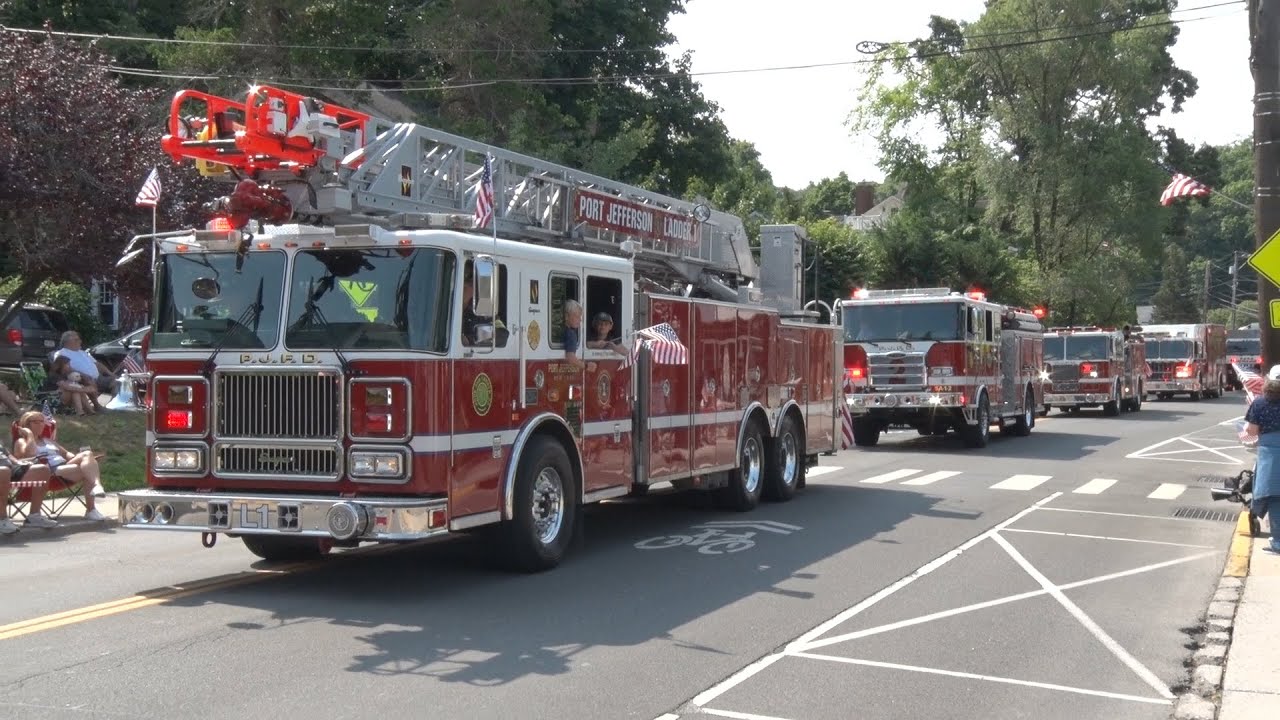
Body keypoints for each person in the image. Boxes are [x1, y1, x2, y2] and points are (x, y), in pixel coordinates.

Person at [12, 411, 106, 518]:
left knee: (88, 459)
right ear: (27, 424)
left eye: (42, 421)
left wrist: (86, 460)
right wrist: (29, 435)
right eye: (36, 422)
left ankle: (92, 508)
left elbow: (66, 454)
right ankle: (95, 495)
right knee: (88, 467)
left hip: (64, 468)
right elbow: (30, 454)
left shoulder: (48, 441)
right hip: (48, 472)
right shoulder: (21, 441)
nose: (41, 424)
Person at [1242, 365, 1280, 553]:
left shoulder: (1260, 403)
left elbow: (1252, 430)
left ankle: (1278, 542)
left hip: (1270, 453)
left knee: (1274, 497)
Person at [0, 441, 55, 534]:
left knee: (43, 469)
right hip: (2, 472)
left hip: (11, 469)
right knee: (4, 471)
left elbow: (8, 455)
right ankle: (2, 519)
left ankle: (34, 516)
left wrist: (19, 462)